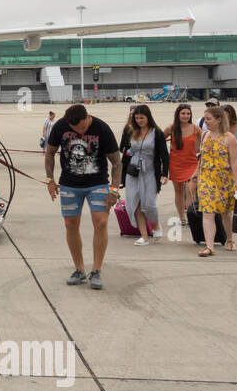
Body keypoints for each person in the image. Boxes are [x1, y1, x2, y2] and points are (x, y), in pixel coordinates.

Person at [44, 103, 122, 289]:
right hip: (70, 184)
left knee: (101, 222)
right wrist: (50, 180)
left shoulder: (101, 128)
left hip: (98, 183)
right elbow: (50, 154)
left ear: (88, 117)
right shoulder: (60, 126)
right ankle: (79, 269)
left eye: (83, 128)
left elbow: (116, 162)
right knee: (70, 224)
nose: (80, 131)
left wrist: (115, 189)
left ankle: (96, 270)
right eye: (76, 129)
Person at [119, 104, 169, 246]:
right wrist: (127, 151)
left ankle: (156, 225)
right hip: (133, 170)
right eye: (136, 118)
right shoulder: (130, 131)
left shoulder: (156, 133)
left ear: (148, 117)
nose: (139, 120)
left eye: (142, 117)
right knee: (135, 203)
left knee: (149, 204)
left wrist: (165, 174)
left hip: (150, 170)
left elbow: (164, 155)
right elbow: (123, 149)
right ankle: (144, 236)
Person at [196, 106, 237, 256]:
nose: (206, 122)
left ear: (219, 119)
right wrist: (196, 173)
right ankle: (210, 246)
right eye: (205, 119)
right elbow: (201, 156)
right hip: (206, 178)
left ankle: (230, 238)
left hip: (224, 179)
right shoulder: (204, 135)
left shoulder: (229, 138)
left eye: (209, 119)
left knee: (226, 213)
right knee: (208, 212)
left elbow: (234, 162)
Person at [164, 104, 199, 222]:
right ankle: (181, 217)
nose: (186, 116)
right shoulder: (171, 128)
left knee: (190, 190)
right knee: (178, 191)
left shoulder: (195, 128)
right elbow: (159, 140)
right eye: (183, 113)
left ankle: (191, 217)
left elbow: (205, 141)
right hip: (175, 164)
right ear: (178, 115)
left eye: (188, 113)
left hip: (191, 164)